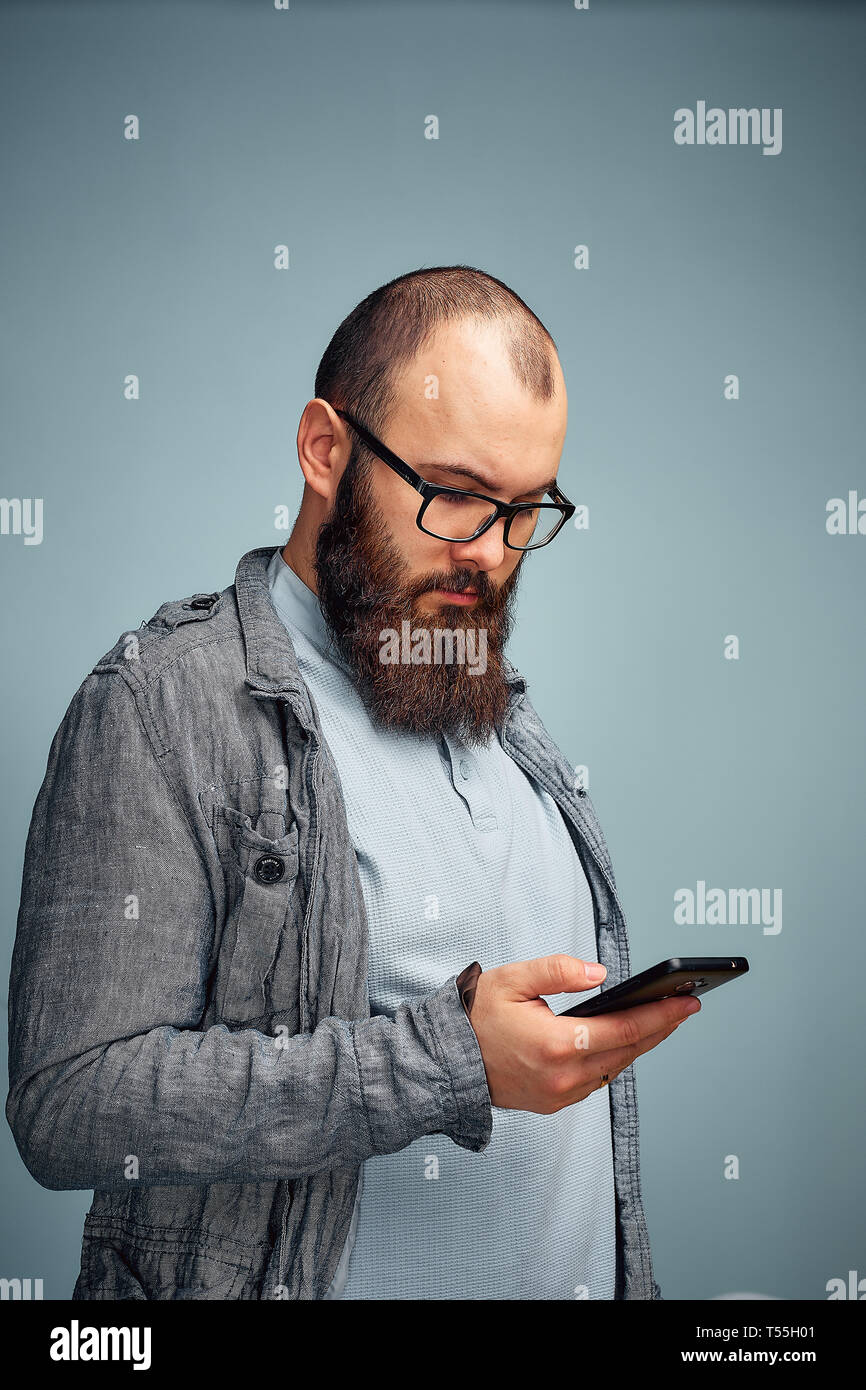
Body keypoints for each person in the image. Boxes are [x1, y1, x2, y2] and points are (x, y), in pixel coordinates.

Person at [6, 265, 699, 1301]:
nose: (489, 555)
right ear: (324, 449)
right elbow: (69, 1104)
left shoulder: (495, 704)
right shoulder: (162, 704)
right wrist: (442, 1063)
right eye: (454, 495)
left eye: (524, 510)